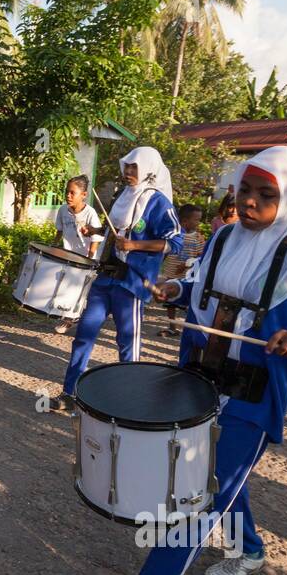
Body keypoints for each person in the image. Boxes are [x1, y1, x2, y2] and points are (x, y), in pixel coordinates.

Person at [95, 146, 287, 575]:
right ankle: (252, 549)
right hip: (197, 380)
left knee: (198, 493)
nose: (250, 202)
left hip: (252, 397)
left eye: (266, 194)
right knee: (217, 480)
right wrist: (178, 292)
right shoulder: (223, 239)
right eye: (245, 190)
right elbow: (200, 282)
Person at [49, 147, 183, 412]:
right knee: (83, 336)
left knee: (127, 343)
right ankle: (70, 394)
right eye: (127, 166)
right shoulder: (123, 195)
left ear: (148, 169)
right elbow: (115, 230)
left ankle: (127, 403)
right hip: (105, 277)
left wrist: (134, 246)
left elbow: (175, 242)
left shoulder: (158, 202)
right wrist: (96, 230)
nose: (128, 172)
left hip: (132, 283)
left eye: (135, 167)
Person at [53, 174, 103, 335]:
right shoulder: (62, 210)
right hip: (68, 256)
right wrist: (54, 246)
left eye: (72, 192)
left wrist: (89, 259)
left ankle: (70, 319)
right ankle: (71, 316)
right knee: (67, 287)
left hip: (86, 259)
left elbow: (95, 238)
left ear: (83, 195)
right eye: (67, 192)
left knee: (80, 291)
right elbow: (59, 230)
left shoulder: (90, 213)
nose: (68, 195)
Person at [158, 203, 205, 337]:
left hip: (188, 276)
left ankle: (188, 328)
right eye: (196, 219)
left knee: (188, 304)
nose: (198, 222)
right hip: (171, 273)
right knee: (169, 303)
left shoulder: (199, 238)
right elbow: (165, 251)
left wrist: (186, 265)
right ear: (185, 221)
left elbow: (200, 256)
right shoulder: (172, 235)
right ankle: (172, 327)